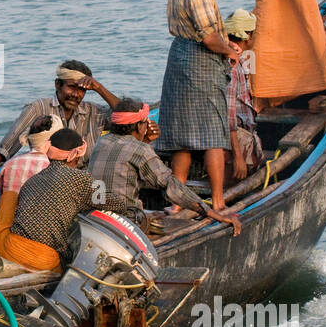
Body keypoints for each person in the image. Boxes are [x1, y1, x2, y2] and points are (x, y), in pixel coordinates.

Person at [154, 0, 243, 212]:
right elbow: (208, 37)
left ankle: (177, 202)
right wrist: (230, 50)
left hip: (179, 56)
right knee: (214, 134)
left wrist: (224, 42)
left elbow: (201, 31)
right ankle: (217, 200)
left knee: (182, 135)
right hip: (200, 61)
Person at [89, 98, 240, 235]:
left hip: (95, 217)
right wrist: (212, 213)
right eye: (145, 122)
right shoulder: (140, 150)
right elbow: (170, 185)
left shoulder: (101, 142)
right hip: (125, 222)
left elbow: (129, 167)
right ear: (138, 126)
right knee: (187, 227)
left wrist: (145, 142)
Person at [0, 60, 115, 180]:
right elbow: (5, 148)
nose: (76, 94)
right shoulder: (38, 109)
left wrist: (99, 88)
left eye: (81, 90)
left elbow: (129, 116)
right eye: (71, 87)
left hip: (82, 182)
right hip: (44, 183)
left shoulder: (94, 112)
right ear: (58, 84)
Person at [0, 129, 93, 272]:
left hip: (10, 252)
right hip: (45, 261)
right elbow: (106, 200)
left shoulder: (32, 181)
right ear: (75, 157)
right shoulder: (82, 177)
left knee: (9, 196)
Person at [0, 115, 60, 257]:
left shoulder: (10, 164)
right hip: (40, 246)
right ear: (53, 141)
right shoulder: (53, 168)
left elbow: (2, 202)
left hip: (6, 240)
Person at [222, 9, 263, 182]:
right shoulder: (232, 65)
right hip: (234, 136)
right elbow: (228, 115)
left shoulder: (238, 57)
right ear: (248, 37)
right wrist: (238, 156)